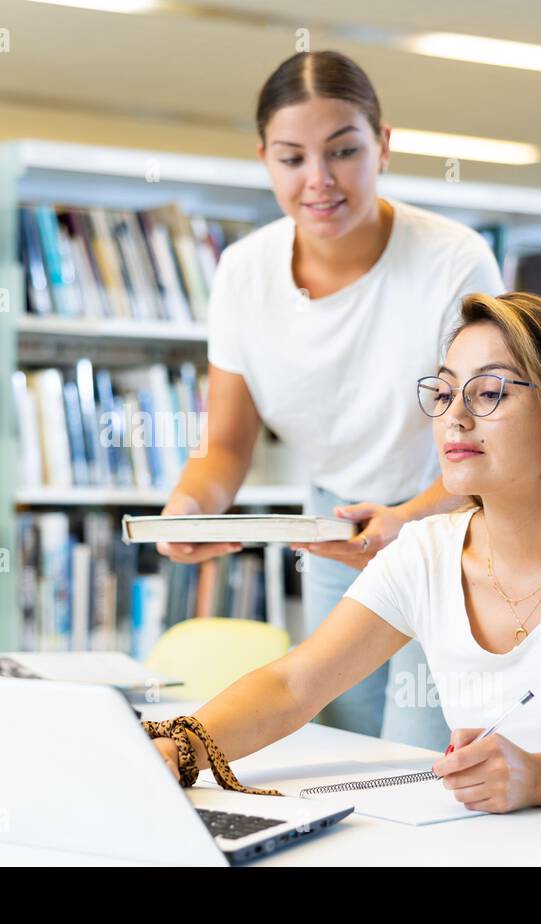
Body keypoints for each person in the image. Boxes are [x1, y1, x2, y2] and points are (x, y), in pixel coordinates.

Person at [150, 292, 541, 813]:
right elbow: (293, 685)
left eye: (489, 392)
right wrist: (176, 746)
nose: (455, 418)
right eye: (443, 394)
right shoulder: (426, 554)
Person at [159, 50, 503, 747]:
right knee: (335, 738)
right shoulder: (243, 272)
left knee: (416, 750)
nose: (318, 182)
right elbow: (225, 445)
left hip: (449, 521)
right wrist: (190, 508)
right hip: (336, 523)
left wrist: (410, 517)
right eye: (291, 159)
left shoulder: (453, 260)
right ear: (263, 158)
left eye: (343, 151)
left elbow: (492, 439)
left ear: (383, 144)